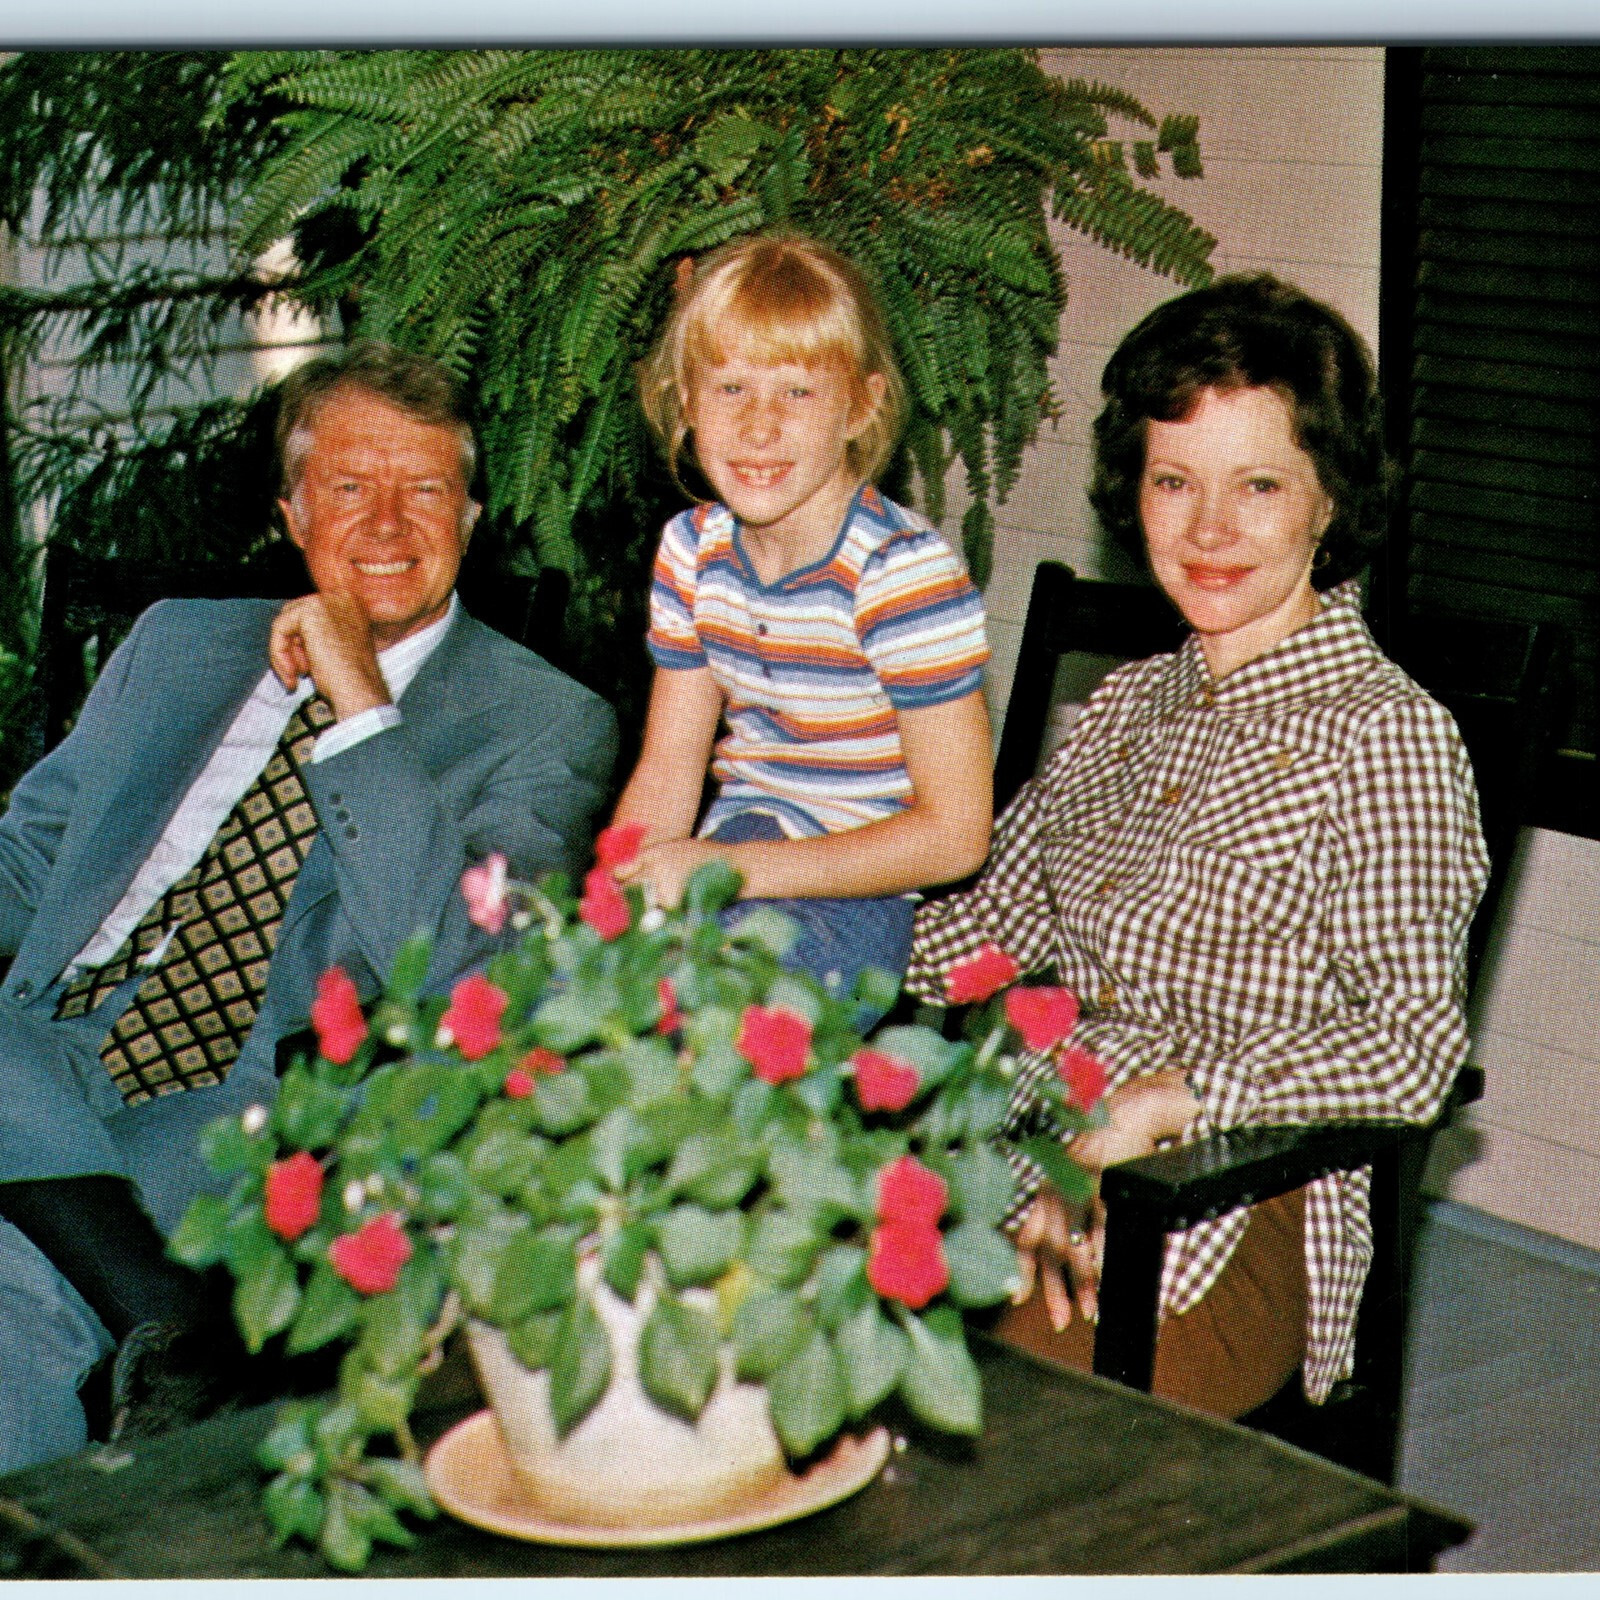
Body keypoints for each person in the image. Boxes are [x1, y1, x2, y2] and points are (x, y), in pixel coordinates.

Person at [0, 342, 617, 1470]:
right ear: (291, 510)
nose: (387, 523)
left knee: (16, 1281)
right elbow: (27, 862)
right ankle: (159, 1310)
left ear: (471, 514)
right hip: (38, 1045)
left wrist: (359, 706)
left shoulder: (545, 725)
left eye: (423, 489)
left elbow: (461, 979)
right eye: (347, 488)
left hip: (241, 1103)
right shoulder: (178, 643)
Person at [907, 274, 1489, 1419]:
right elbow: (982, 935)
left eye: (1258, 485)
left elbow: (1413, 1045)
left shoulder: (1388, 736)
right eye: (1174, 481)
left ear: (1329, 502)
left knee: (971, 1427)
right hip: (1034, 1136)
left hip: (1228, 1195)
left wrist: (1172, 1100)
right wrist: (781, 940)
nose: (1209, 529)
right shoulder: (1123, 709)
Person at [611, 234, 992, 1003]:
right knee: (554, 1008)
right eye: (730, 389)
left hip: (851, 896)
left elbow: (955, 836)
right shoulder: (693, 551)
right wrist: (615, 895)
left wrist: (728, 871)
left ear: (861, 405)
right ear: (687, 403)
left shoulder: (900, 575)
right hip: (733, 854)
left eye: (797, 392)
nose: (759, 426)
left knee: (705, 1047)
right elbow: (670, 763)